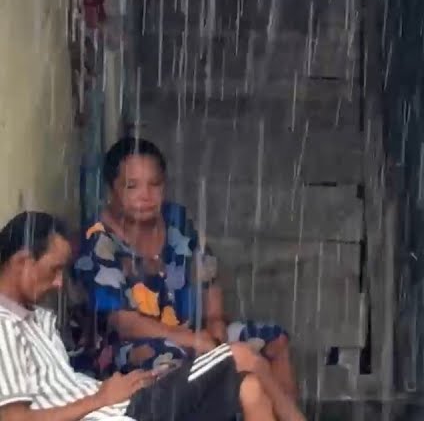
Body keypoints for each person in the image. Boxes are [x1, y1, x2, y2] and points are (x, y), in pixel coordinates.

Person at [0, 210, 303, 421]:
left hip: (125, 405)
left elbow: (61, 387)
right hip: (119, 413)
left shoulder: (36, 318)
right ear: (23, 262)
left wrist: (116, 391)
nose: (57, 283)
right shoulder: (4, 326)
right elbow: (15, 419)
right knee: (238, 355)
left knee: (249, 389)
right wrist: (100, 398)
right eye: (53, 270)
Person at [71, 138, 296, 398]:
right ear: (112, 190)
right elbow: (123, 322)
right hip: (125, 350)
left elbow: (208, 276)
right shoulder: (98, 239)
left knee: (273, 340)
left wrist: (214, 322)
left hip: (192, 333)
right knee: (177, 362)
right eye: (132, 186)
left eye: (155, 184)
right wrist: (190, 340)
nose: (146, 196)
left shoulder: (175, 219)